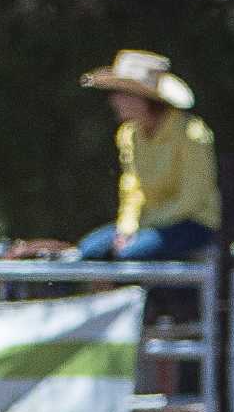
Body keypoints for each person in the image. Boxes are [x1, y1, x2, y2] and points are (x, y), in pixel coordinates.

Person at [74, 50, 219, 261]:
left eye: (121, 94)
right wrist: (127, 227)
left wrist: (145, 227)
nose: (114, 101)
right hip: (147, 224)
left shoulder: (192, 135)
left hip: (193, 222)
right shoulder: (129, 135)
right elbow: (132, 188)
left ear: (144, 99)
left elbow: (192, 199)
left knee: (131, 253)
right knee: (90, 251)